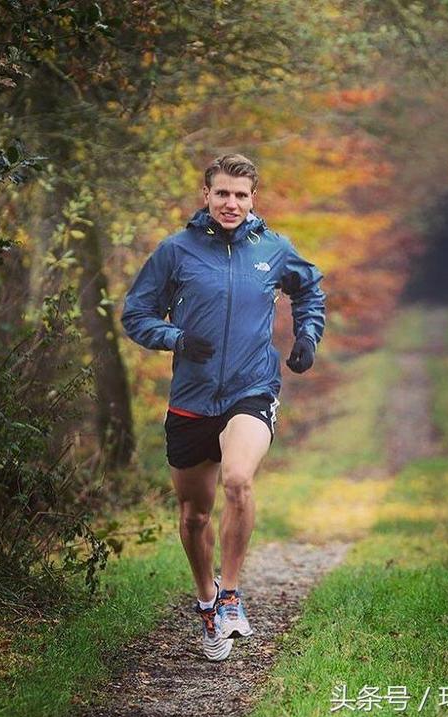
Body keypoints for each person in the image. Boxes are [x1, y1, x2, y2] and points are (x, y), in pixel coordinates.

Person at [121, 153, 326, 661]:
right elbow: (135, 313)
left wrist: (307, 336)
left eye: (241, 195)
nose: (231, 203)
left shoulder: (274, 249)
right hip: (191, 399)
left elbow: (310, 291)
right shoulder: (176, 251)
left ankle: (232, 595)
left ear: (253, 199)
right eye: (222, 194)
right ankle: (208, 599)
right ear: (206, 196)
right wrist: (175, 338)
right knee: (194, 516)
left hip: (251, 388)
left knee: (238, 479)